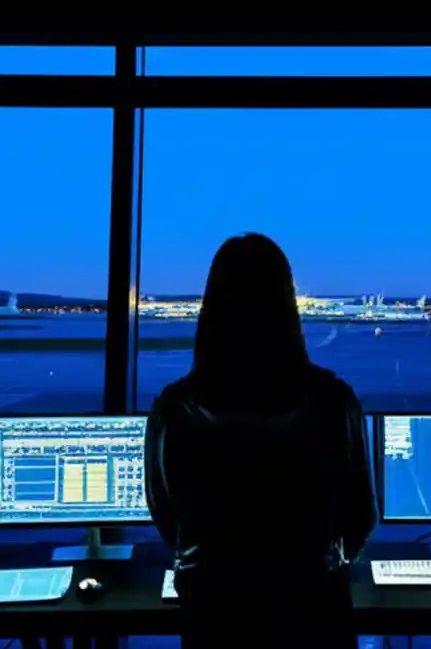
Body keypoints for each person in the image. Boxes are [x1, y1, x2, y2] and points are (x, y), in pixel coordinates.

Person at [145, 233, 377, 649]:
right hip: (315, 617)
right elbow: (360, 517)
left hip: (215, 621)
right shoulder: (334, 401)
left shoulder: (175, 408)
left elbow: (168, 518)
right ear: (287, 305)